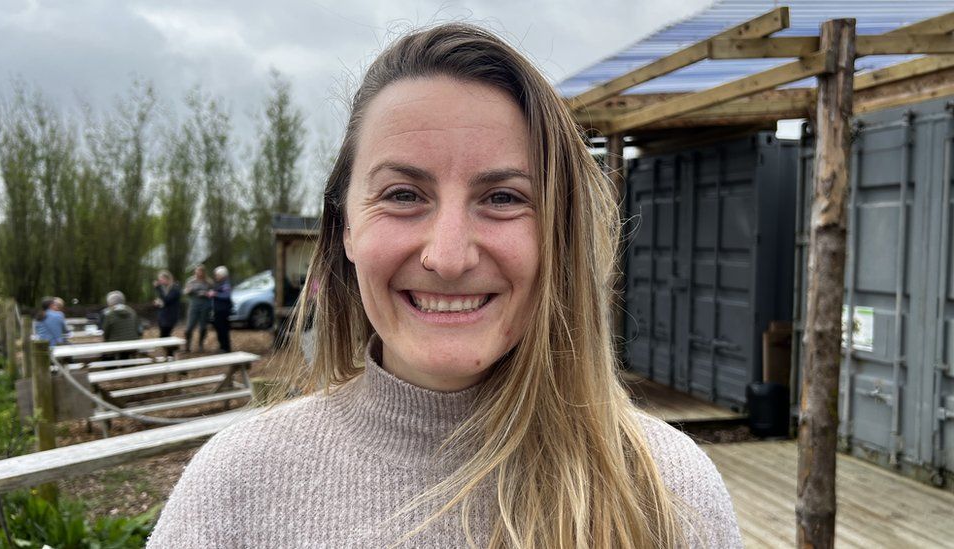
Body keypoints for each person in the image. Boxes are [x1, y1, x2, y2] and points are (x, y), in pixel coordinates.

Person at [148, 24, 740, 548]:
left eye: (503, 198)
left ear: (559, 235)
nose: (448, 256)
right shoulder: (237, 488)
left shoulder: (666, 493)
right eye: (403, 195)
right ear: (345, 228)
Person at [183, 265, 212, 352]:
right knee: (189, 327)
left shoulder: (208, 282)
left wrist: (206, 293)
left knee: (203, 327)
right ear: (195, 272)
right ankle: (187, 345)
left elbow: (213, 293)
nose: (199, 273)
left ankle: (200, 345)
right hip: (194, 305)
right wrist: (188, 290)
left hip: (205, 305)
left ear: (204, 272)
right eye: (197, 271)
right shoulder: (190, 281)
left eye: (201, 271)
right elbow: (184, 291)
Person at [207, 266, 232, 353]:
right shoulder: (219, 283)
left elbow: (226, 296)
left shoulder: (226, 284)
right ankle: (222, 347)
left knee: (223, 329)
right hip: (218, 310)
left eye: (217, 275)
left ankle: (226, 348)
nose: (216, 276)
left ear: (222, 275)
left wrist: (215, 294)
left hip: (223, 311)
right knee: (219, 329)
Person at [153, 270, 182, 338]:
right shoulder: (164, 288)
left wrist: (158, 288)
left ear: (167, 278)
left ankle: (174, 347)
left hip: (170, 317)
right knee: (165, 337)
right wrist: (157, 302)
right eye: (159, 280)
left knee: (163, 337)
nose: (160, 282)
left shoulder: (175, 288)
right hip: (162, 316)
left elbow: (167, 300)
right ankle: (174, 348)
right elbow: (163, 300)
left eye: (161, 279)